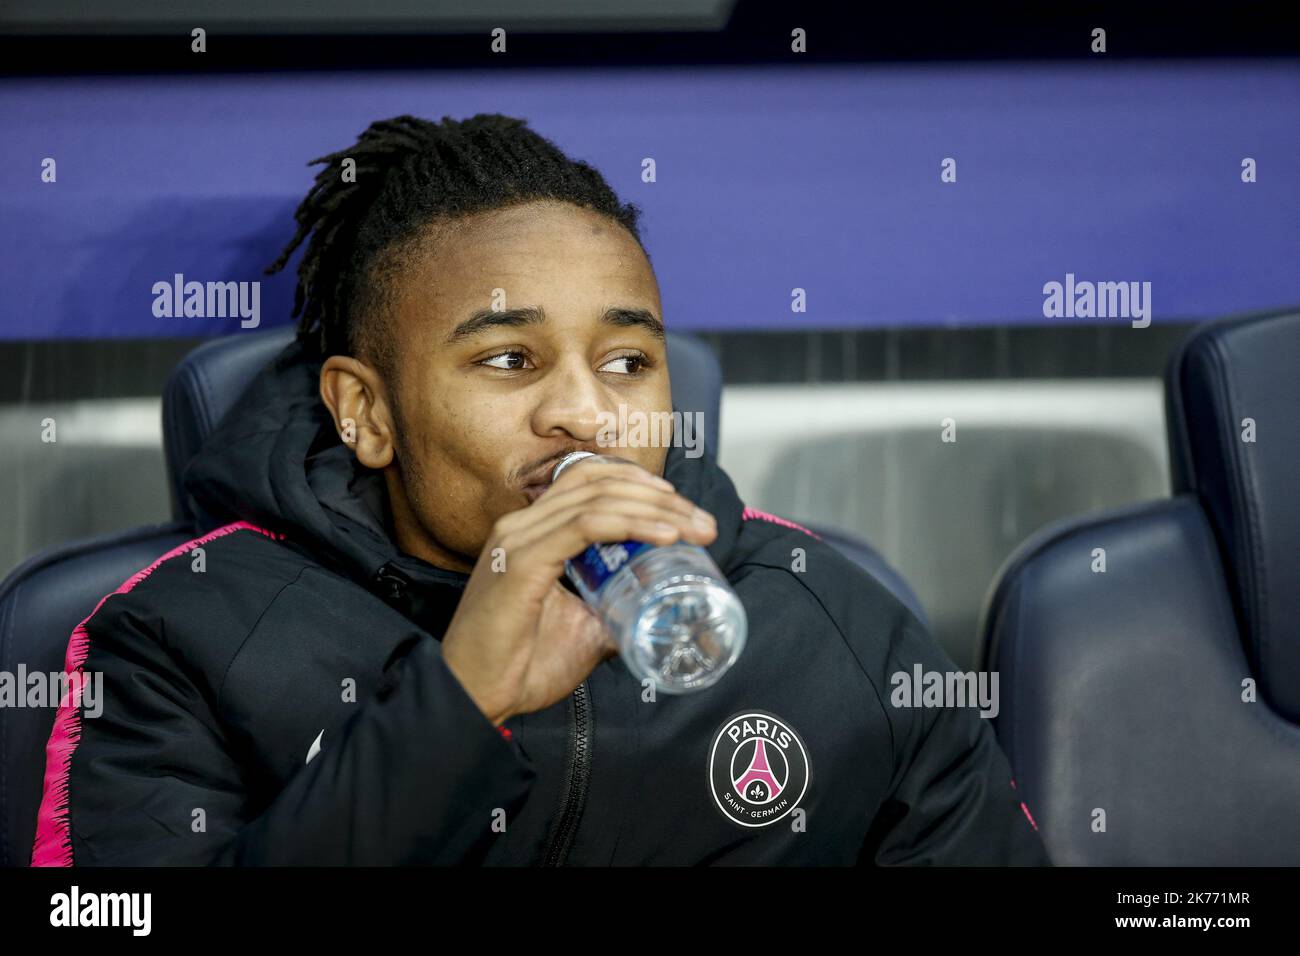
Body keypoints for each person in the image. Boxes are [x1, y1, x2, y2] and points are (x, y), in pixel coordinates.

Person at [31, 114, 1049, 866]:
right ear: (366, 412)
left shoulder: (828, 615)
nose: (585, 413)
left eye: (624, 361)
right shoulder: (179, 640)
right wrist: (455, 704)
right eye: (510, 361)